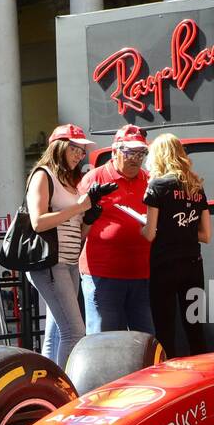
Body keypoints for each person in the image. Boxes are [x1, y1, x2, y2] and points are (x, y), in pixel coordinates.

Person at [24, 124, 107, 369]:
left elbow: (76, 232)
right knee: (74, 331)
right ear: (59, 147)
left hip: (69, 263)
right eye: (75, 149)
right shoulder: (43, 175)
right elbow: (38, 222)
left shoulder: (71, 182)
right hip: (51, 263)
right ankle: (66, 391)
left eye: (82, 152)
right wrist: (79, 208)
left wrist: (89, 218)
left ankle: (51, 386)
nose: (79, 156)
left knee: (57, 333)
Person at [77, 124, 154, 334]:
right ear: (115, 151)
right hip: (102, 273)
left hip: (139, 273)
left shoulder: (148, 181)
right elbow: (75, 223)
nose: (135, 158)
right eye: (130, 152)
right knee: (103, 339)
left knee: (145, 340)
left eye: (141, 153)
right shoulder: (95, 179)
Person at [143, 133, 211, 357]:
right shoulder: (196, 186)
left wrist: (141, 227)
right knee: (195, 328)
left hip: (165, 265)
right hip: (193, 264)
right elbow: (206, 235)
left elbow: (149, 233)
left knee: (165, 329)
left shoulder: (157, 185)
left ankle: (169, 380)